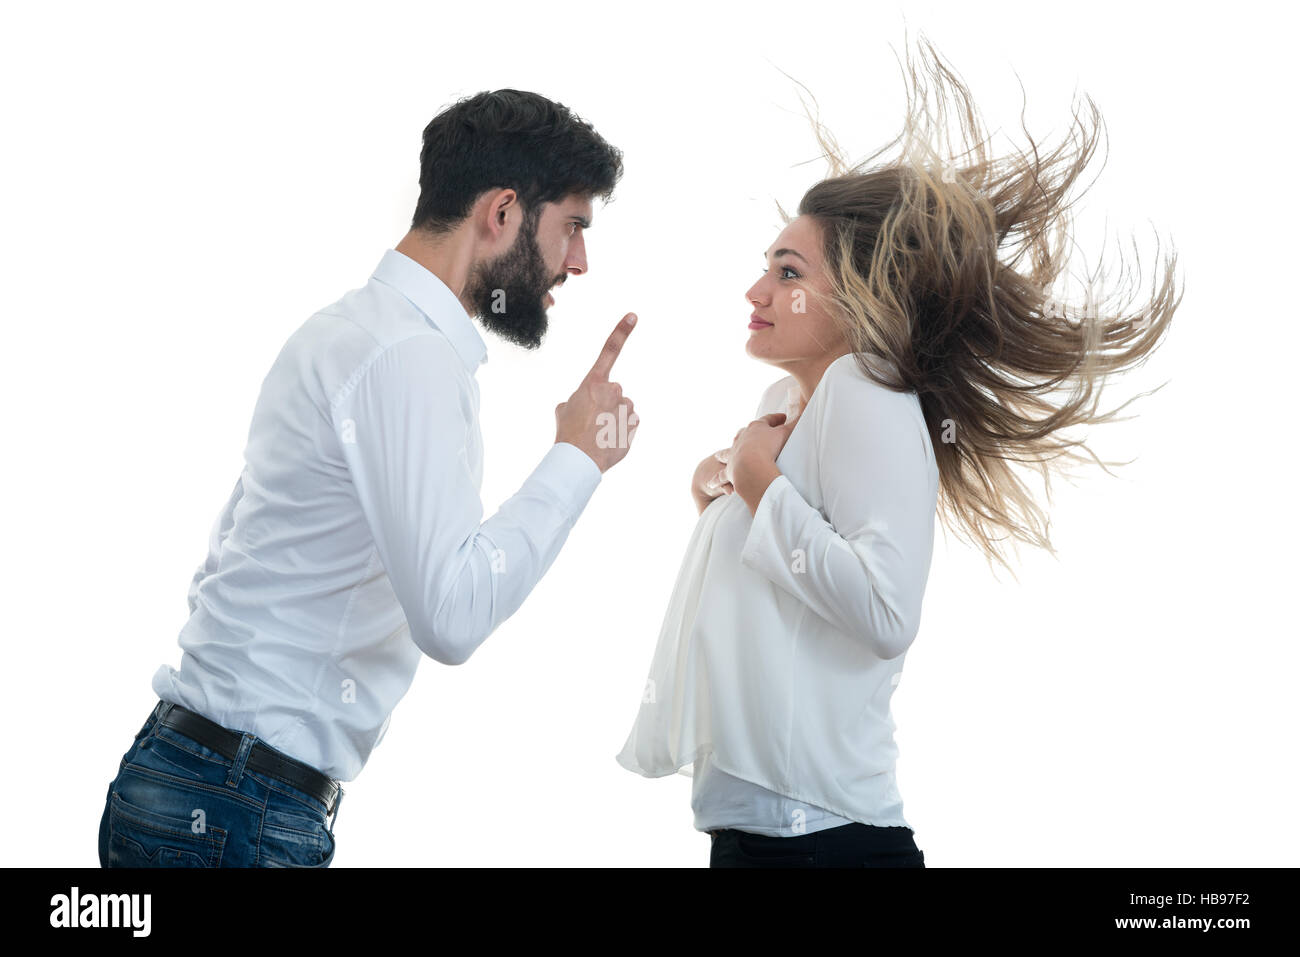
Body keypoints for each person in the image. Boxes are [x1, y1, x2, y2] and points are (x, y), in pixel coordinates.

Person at [616, 37, 1180, 867]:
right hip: (757, 835)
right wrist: (728, 495)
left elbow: (886, 613)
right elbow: (785, 588)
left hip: (823, 842)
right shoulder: (785, 405)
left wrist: (759, 487)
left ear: (856, 293)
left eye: (786, 269)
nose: (756, 290)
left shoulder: (864, 391)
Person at [99, 89, 635, 867]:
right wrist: (579, 456)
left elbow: (235, 550)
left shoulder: (344, 329)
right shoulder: (408, 357)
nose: (579, 261)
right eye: (574, 227)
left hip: (185, 782)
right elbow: (450, 615)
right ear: (505, 213)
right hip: (237, 810)